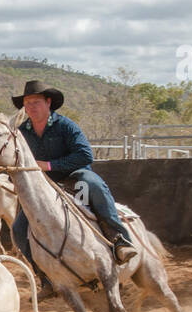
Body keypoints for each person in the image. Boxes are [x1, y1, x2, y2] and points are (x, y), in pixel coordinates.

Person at [8, 79, 138, 274]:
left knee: (92, 183)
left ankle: (119, 239)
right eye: (27, 103)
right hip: (44, 185)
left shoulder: (66, 126)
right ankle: (44, 276)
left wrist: (48, 165)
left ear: (48, 103)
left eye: (36, 102)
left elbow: (85, 155)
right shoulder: (21, 132)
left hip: (74, 177)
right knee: (18, 230)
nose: (31, 107)